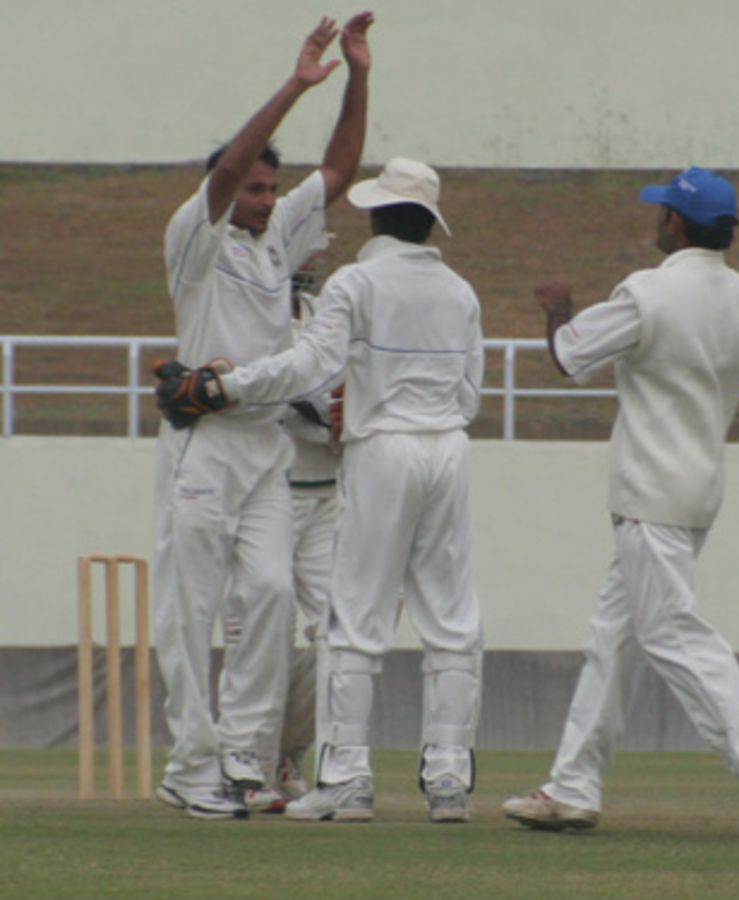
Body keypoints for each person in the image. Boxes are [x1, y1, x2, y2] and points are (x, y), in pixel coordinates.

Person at [501, 167, 739, 842]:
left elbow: (571, 357)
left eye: (662, 213)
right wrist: (724, 359)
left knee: (668, 631)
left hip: (648, 492)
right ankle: (573, 785)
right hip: (700, 492)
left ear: (675, 223)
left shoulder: (647, 292)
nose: (657, 222)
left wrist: (557, 306)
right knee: (613, 640)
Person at [161, 157, 485, 825]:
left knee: (355, 618)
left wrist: (223, 386)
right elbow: (471, 395)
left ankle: (344, 778)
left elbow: (310, 364)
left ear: (374, 214)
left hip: (380, 450)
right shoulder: (461, 292)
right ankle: (450, 783)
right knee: (451, 618)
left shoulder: (355, 281)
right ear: (429, 221)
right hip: (450, 449)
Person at [153, 13, 372, 820]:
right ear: (225, 190)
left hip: (266, 448)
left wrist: (356, 75)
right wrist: (294, 85)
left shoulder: (276, 235)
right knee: (191, 607)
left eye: (273, 190)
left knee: (274, 594)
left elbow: (343, 168)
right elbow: (232, 165)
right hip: (203, 445)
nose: (266, 199)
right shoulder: (195, 236)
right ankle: (190, 765)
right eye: (255, 188)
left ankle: (244, 756)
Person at [239, 242, 342, 814]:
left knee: (340, 631)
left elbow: (344, 395)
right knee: (262, 629)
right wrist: (313, 410)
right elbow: (267, 395)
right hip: (268, 495)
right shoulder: (246, 311)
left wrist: (331, 413)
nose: (306, 269)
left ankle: (298, 756)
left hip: (327, 497)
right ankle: (248, 765)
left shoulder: (332, 310)